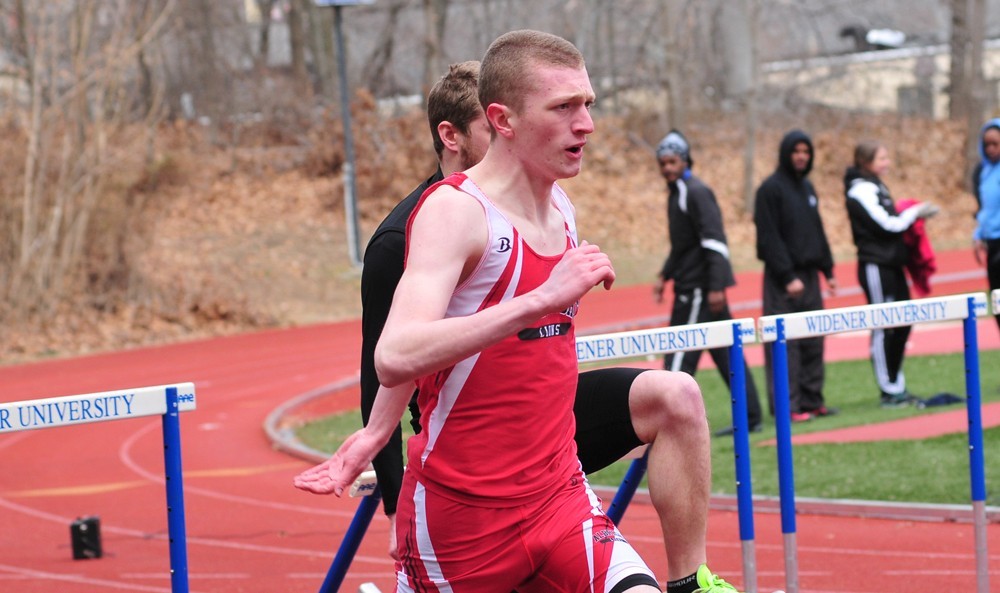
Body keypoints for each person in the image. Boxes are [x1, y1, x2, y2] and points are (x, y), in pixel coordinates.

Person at [295, 32, 744, 593]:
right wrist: (537, 300)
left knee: (674, 398)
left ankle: (689, 583)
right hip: (463, 524)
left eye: (588, 104)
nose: (587, 125)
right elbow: (396, 354)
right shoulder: (453, 212)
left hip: (559, 497)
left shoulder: (560, 206)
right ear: (503, 120)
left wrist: (375, 429)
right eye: (564, 107)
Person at [652, 130, 763, 437]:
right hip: (696, 286)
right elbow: (683, 246)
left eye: (672, 162)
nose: (667, 168)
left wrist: (716, 286)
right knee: (727, 354)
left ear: (685, 161)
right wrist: (664, 275)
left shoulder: (695, 191)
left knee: (677, 356)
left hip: (699, 291)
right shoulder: (677, 192)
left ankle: (666, 422)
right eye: (662, 163)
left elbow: (715, 241)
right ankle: (751, 417)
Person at [844, 140, 938, 407]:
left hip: (893, 264)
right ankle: (888, 389)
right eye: (881, 158)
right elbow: (887, 224)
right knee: (883, 324)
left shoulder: (876, 186)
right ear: (865, 162)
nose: (886, 163)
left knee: (904, 321)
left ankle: (896, 383)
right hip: (875, 265)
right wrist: (914, 212)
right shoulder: (860, 190)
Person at [753, 130, 838, 422]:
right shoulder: (770, 190)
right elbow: (768, 238)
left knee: (813, 340)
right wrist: (787, 275)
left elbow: (817, 230)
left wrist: (828, 270)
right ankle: (787, 407)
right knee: (784, 345)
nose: (802, 156)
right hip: (782, 281)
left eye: (806, 151)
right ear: (786, 154)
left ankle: (812, 401)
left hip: (810, 277)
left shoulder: (807, 187)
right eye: (796, 151)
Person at [973, 118, 1000, 335]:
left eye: (995, 144)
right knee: (997, 299)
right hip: (991, 242)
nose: (990, 149)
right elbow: (985, 209)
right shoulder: (982, 172)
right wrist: (978, 234)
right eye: (987, 144)